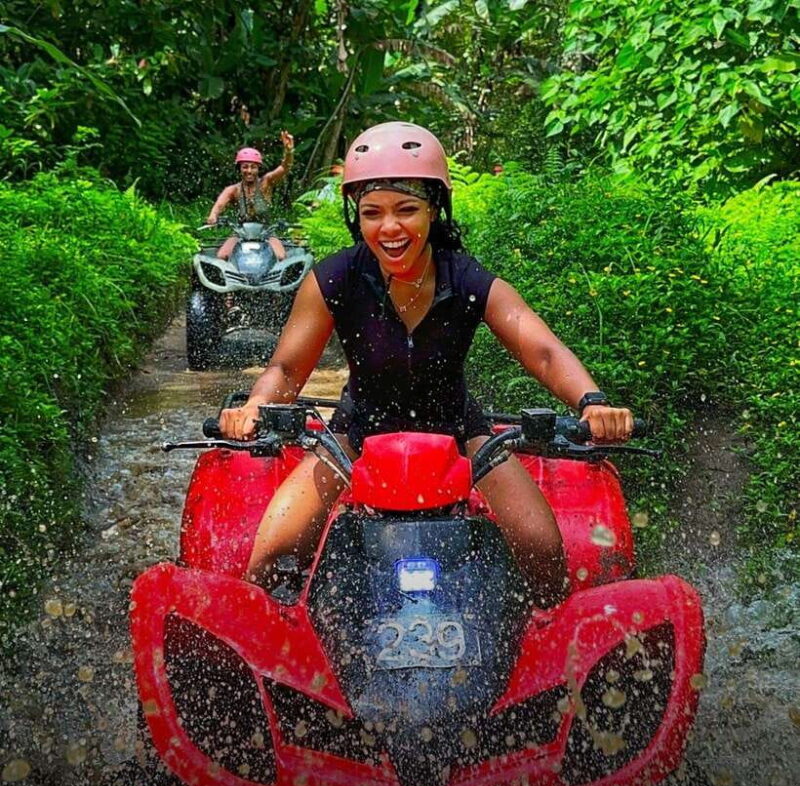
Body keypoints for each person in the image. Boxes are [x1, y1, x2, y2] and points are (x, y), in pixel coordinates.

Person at [219, 121, 633, 608]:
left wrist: (592, 401)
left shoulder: (468, 277)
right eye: (372, 213)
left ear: (434, 210)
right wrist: (254, 406)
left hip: (460, 430)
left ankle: (540, 661)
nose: (389, 228)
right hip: (358, 430)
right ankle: (288, 664)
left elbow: (540, 347)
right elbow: (287, 370)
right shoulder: (334, 278)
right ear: (356, 217)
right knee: (271, 554)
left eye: (406, 210)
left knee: (541, 547)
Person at [206, 130, 295, 261]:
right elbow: (219, 204)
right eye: (245, 167)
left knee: (281, 256)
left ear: (258, 169)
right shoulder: (233, 190)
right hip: (241, 232)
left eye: (253, 167)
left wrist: (289, 151)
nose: (249, 171)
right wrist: (213, 215)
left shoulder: (266, 183)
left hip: (266, 232)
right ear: (239, 169)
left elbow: (285, 167)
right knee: (221, 255)